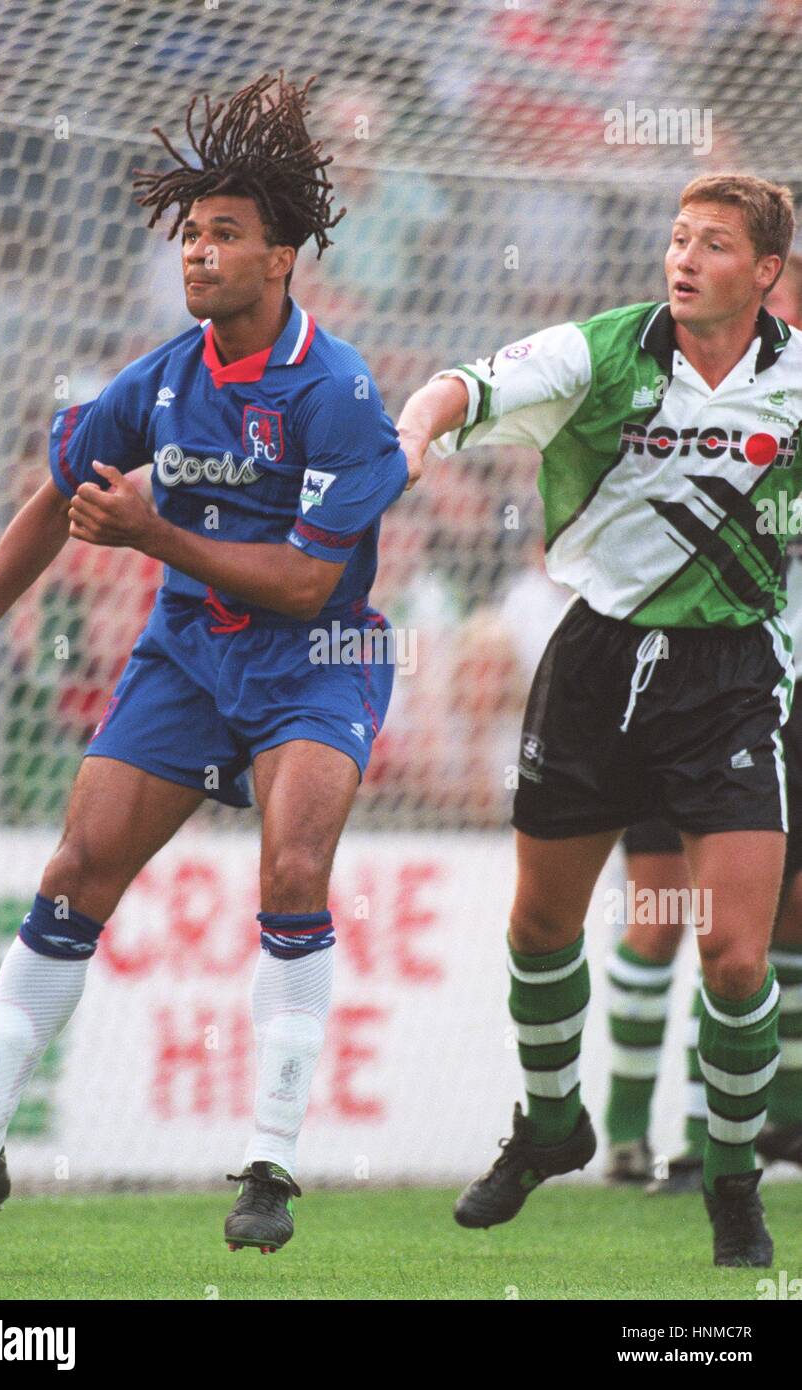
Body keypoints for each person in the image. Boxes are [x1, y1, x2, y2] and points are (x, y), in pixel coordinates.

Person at [0, 73, 408, 1256]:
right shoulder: (162, 377)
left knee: (292, 867)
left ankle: (270, 1165)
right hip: (188, 658)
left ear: (280, 256)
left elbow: (306, 584)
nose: (197, 254)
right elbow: (62, 492)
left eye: (223, 235)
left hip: (316, 659)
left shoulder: (338, 394)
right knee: (76, 867)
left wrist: (153, 534)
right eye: (190, 234)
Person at [397, 173, 802, 1267]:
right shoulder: (601, 351)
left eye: (711, 245)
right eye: (676, 239)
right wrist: (414, 433)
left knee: (730, 952)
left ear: (764, 274)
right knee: (537, 925)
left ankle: (730, 1174)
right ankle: (553, 1121)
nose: (682, 259)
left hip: (728, 676)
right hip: (594, 663)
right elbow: (462, 386)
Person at [605, 252, 802, 1192]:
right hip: (658, 670)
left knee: (755, 923)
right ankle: (625, 1131)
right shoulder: (658, 376)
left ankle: (718, 1136)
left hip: (764, 687)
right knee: (658, 912)